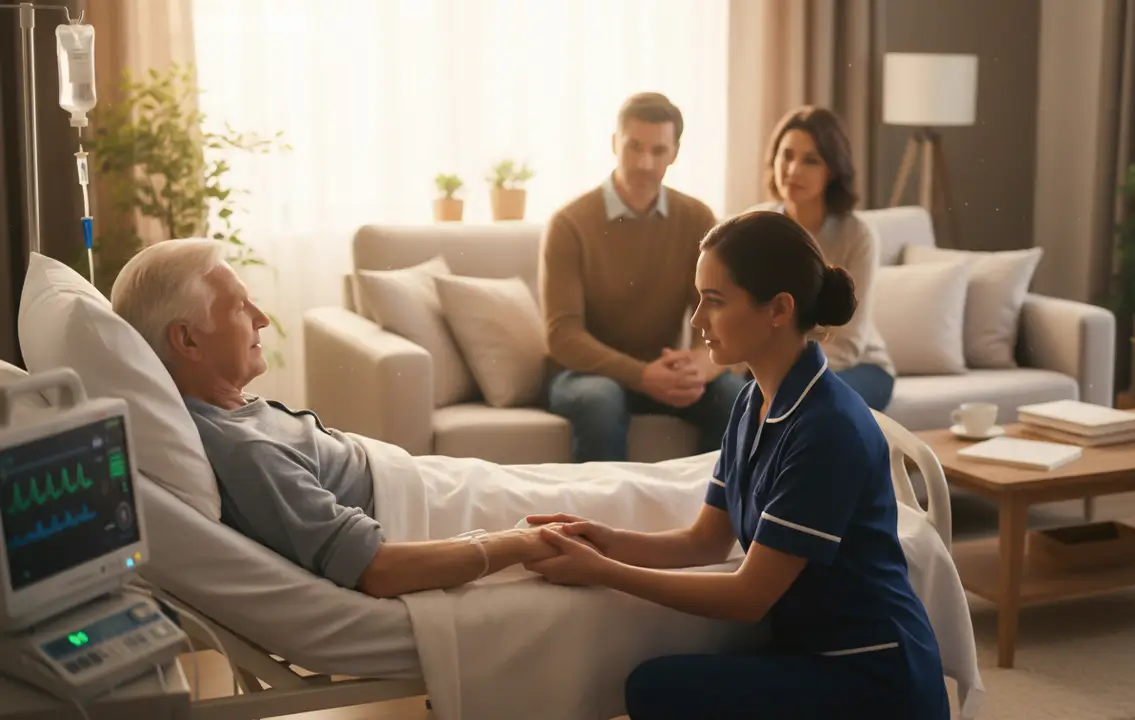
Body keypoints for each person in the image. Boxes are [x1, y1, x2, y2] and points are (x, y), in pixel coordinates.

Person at [523, 211, 949, 719]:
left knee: (653, 688)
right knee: (654, 679)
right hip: (811, 653)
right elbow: (702, 541)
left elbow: (749, 596)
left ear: (779, 310)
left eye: (714, 301)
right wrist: (602, 538)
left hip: (874, 677)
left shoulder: (827, 428)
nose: (697, 320)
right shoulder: (752, 402)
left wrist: (605, 571)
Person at [110, 239, 564, 598]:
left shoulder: (230, 413)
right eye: (239, 308)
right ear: (187, 340)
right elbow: (377, 569)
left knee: (609, 486)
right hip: (433, 511)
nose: (262, 319)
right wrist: (519, 543)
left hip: (428, 482)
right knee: (615, 499)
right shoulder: (245, 452)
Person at [540, 91, 747, 462]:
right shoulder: (569, 224)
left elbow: (717, 310)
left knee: (735, 396)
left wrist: (704, 361)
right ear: (614, 143)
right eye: (633, 147)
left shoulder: (697, 219)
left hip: (664, 369)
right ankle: (594, 520)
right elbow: (562, 335)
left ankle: (711, 516)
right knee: (601, 399)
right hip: (583, 374)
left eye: (658, 150)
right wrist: (641, 374)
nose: (644, 162)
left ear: (675, 153)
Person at [746, 105, 897, 411]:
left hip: (859, 367)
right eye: (786, 155)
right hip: (774, 367)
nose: (793, 170)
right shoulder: (752, 226)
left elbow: (849, 343)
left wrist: (784, 372)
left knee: (805, 402)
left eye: (810, 160)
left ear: (832, 170)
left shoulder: (857, 236)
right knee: (736, 398)